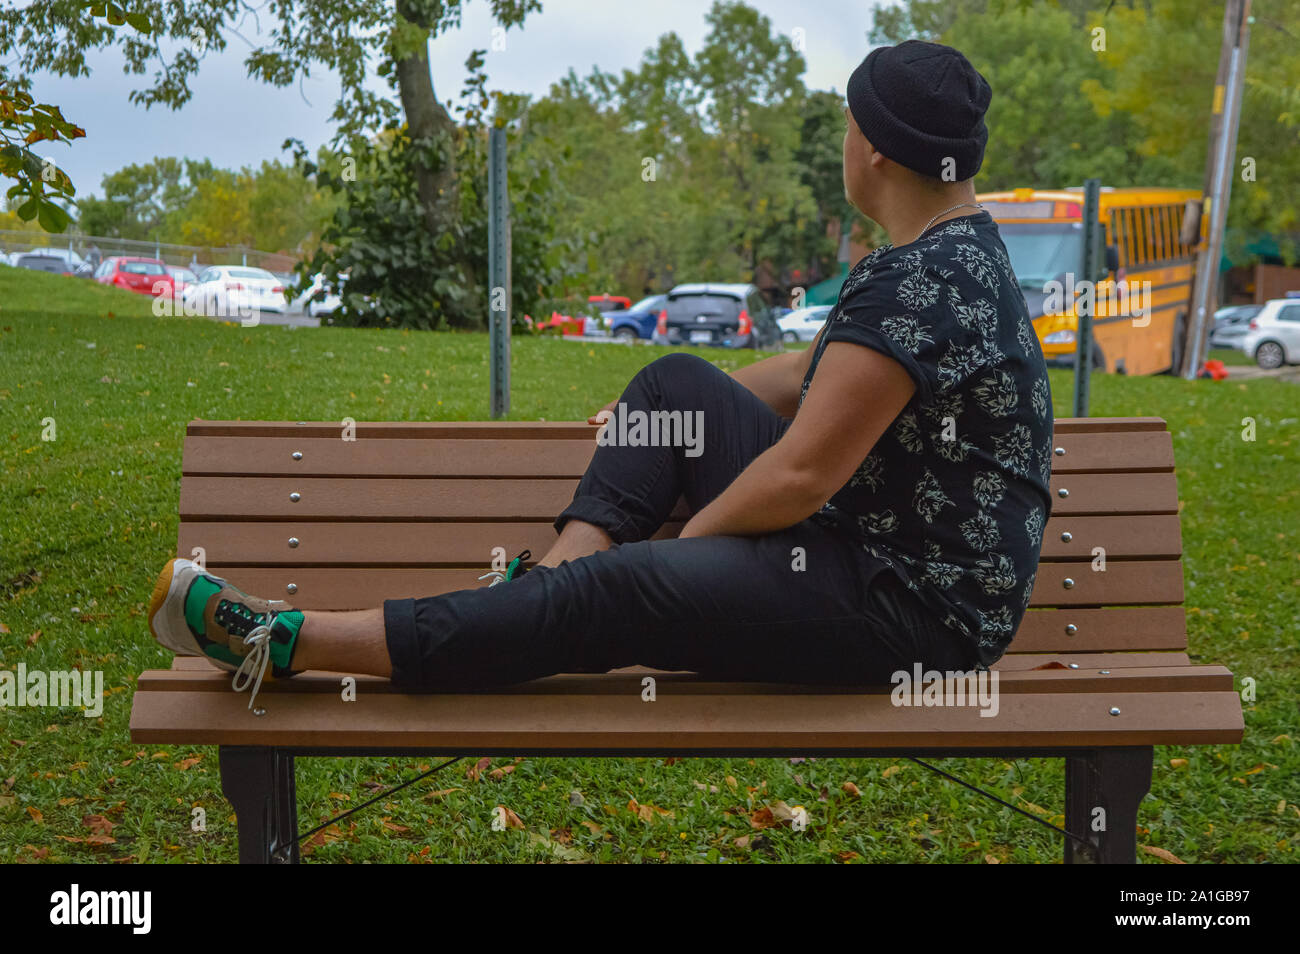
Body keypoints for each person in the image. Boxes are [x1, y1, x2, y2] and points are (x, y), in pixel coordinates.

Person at [147, 40, 1054, 709]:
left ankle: (286, 638)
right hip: (882, 549)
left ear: (879, 150)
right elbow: (809, 374)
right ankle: (541, 597)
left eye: (850, 123)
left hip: (909, 612)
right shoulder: (953, 252)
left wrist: (683, 550)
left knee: (619, 590)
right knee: (670, 386)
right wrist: (652, 428)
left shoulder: (922, 279)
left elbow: (802, 474)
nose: (845, 141)